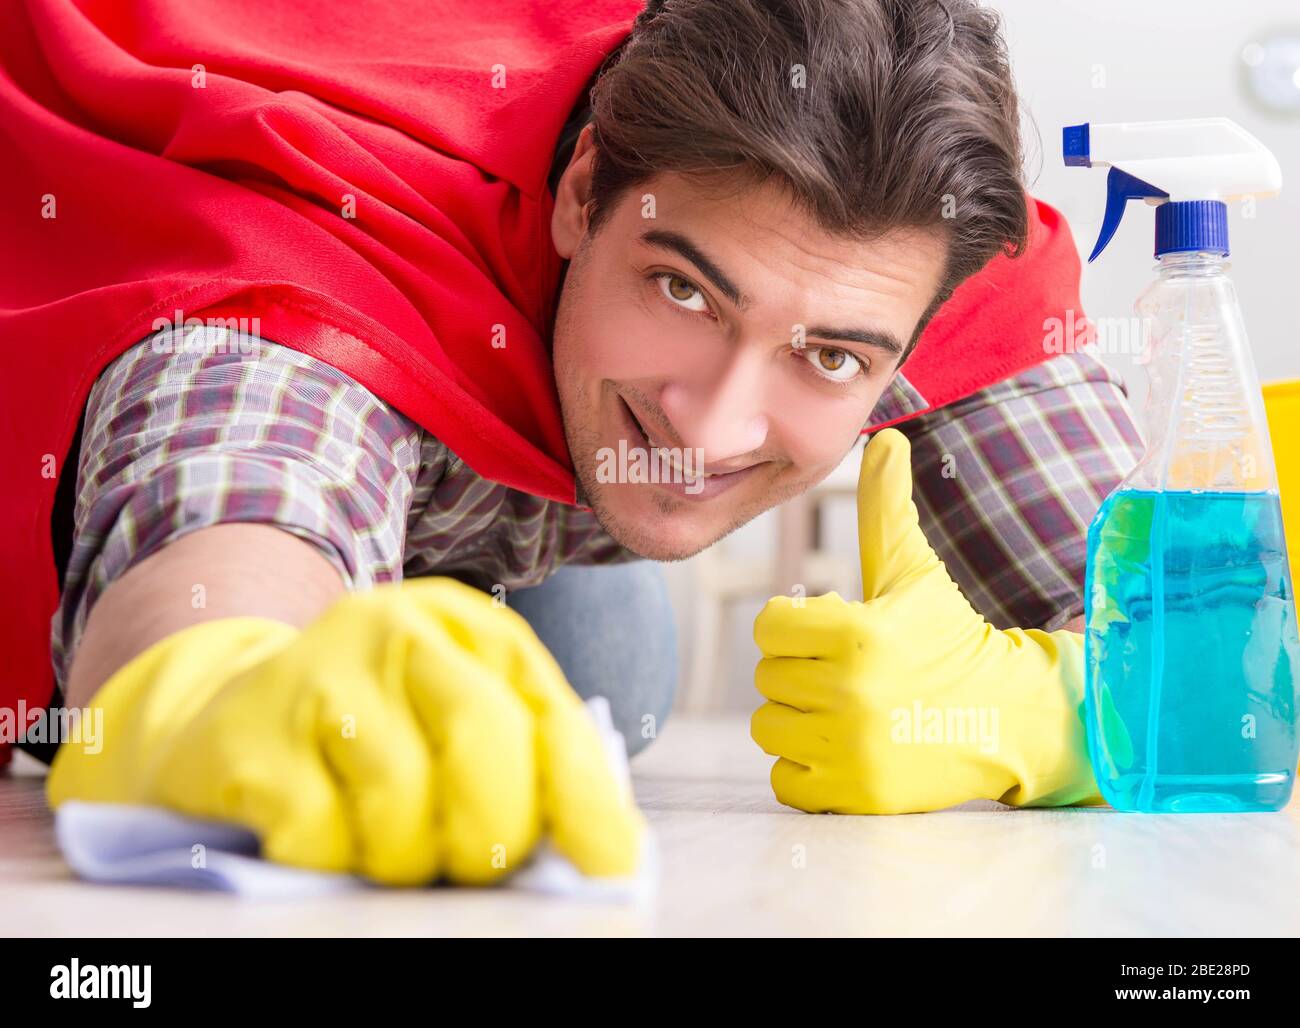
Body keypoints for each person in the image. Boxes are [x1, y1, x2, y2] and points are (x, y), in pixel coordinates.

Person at [0, 0, 1142, 884]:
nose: (713, 424)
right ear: (584, 187)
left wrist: (1041, 716)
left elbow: (1229, 673)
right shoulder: (309, 274)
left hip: (511, 503)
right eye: (684, 290)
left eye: (831, 356)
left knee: (608, 679)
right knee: (588, 681)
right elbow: (205, 582)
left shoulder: (928, 254)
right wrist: (230, 694)